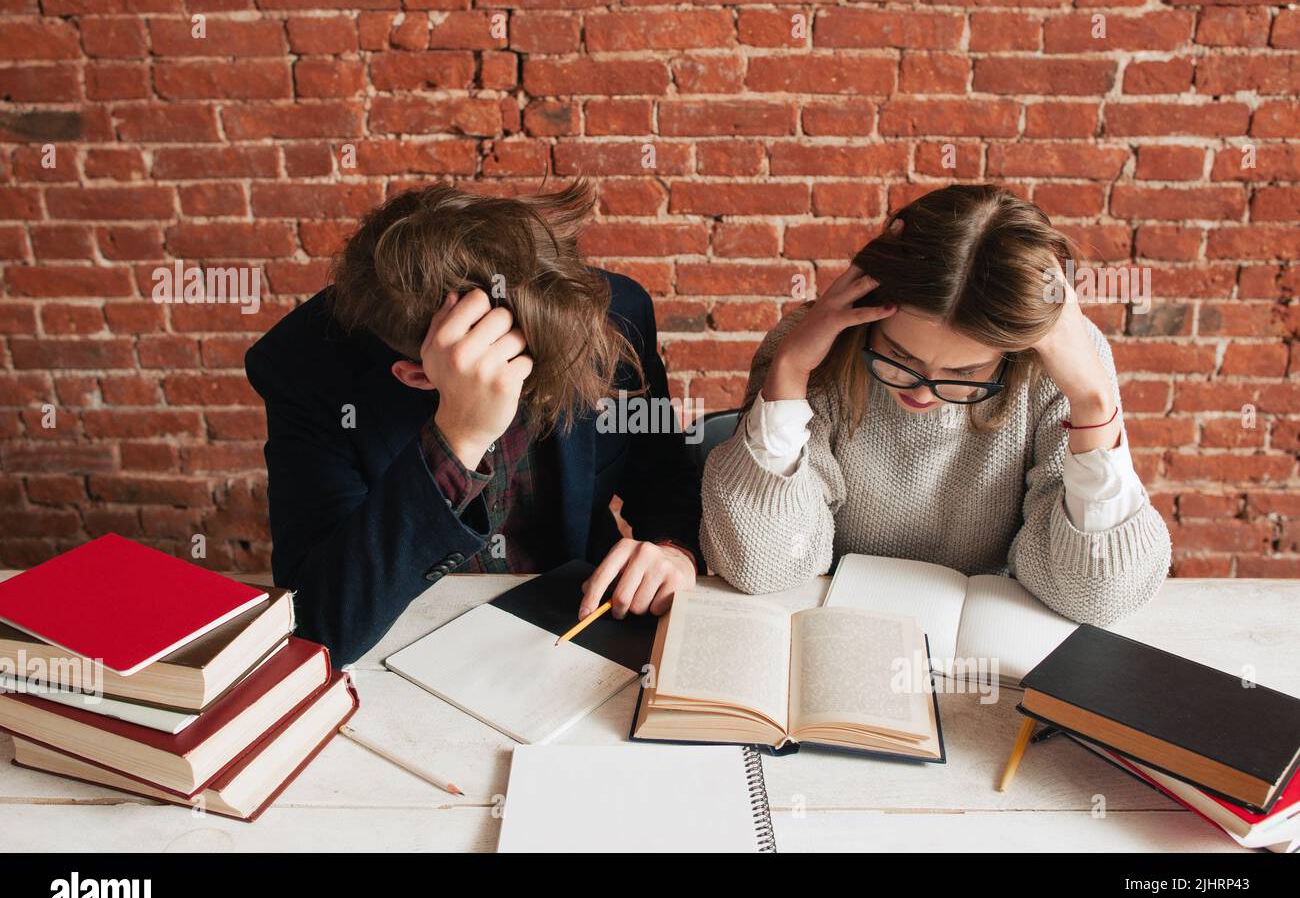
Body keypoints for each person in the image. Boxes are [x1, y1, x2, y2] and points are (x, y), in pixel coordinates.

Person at [246, 181, 701, 664]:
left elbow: (664, 479)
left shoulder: (604, 310)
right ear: (418, 375)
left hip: (579, 626)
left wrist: (674, 551)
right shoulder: (304, 367)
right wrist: (457, 436)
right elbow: (319, 626)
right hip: (406, 646)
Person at [701, 184, 1170, 625]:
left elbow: (1099, 596)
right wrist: (789, 373)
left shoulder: (1062, 367)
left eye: (965, 375)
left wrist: (1092, 402)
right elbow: (761, 565)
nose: (923, 392)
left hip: (989, 637)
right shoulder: (812, 348)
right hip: (833, 625)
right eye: (900, 357)